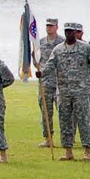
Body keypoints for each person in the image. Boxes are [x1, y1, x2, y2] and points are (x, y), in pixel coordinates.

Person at [45, 22, 90, 159]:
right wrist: (41, 73)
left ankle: (87, 150)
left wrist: (88, 75)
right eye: (67, 31)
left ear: (76, 32)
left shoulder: (85, 48)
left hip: (80, 91)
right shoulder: (58, 49)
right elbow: (50, 65)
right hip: (63, 92)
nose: (69, 33)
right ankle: (68, 151)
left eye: (71, 31)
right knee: (65, 122)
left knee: (84, 121)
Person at [36, 16, 61, 146]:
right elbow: (36, 60)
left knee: (63, 112)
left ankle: (67, 138)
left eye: (51, 25)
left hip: (59, 82)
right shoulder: (39, 43)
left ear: (57, 27)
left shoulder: (62, 42)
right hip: (45, 82)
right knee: (46, 113)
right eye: (47, 26)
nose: (49, 28)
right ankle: (48, 138)